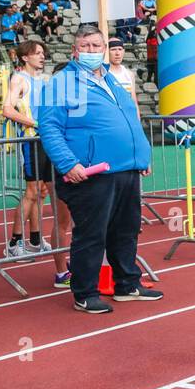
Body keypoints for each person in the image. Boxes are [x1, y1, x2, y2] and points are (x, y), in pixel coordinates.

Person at [37, 25, 161, 314]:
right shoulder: (63, 83)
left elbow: (130, 118)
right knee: (92, 234)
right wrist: (68, 163)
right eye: (86, 46)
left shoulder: (112, 80)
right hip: (91, 173)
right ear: (75, 50)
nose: (93, 51)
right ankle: (85, 292)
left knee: (126, 230)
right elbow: (50, 127)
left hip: (125, 170)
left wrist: (140, 155)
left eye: (97, 45)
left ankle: (127, 284)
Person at [0, 40, 72, 287]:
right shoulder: (19, 79)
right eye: (37, 53)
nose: (42, 57)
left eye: (44, 52)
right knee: (31, 192)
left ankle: (35, 239)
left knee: (42, 191)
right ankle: (14, 243)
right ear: (24, 58)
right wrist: (36, 125)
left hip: (47, 141)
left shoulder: (43, 81)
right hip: (31, 141)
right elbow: (6, 110)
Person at [106, 38, 138, 109]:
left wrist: (137, 119)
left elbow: (134, 102)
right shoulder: (102, 74)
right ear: (107, 52)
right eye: (113, 49)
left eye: (120, 49)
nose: (117, 53)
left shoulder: (129, 74)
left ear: (123, 51)